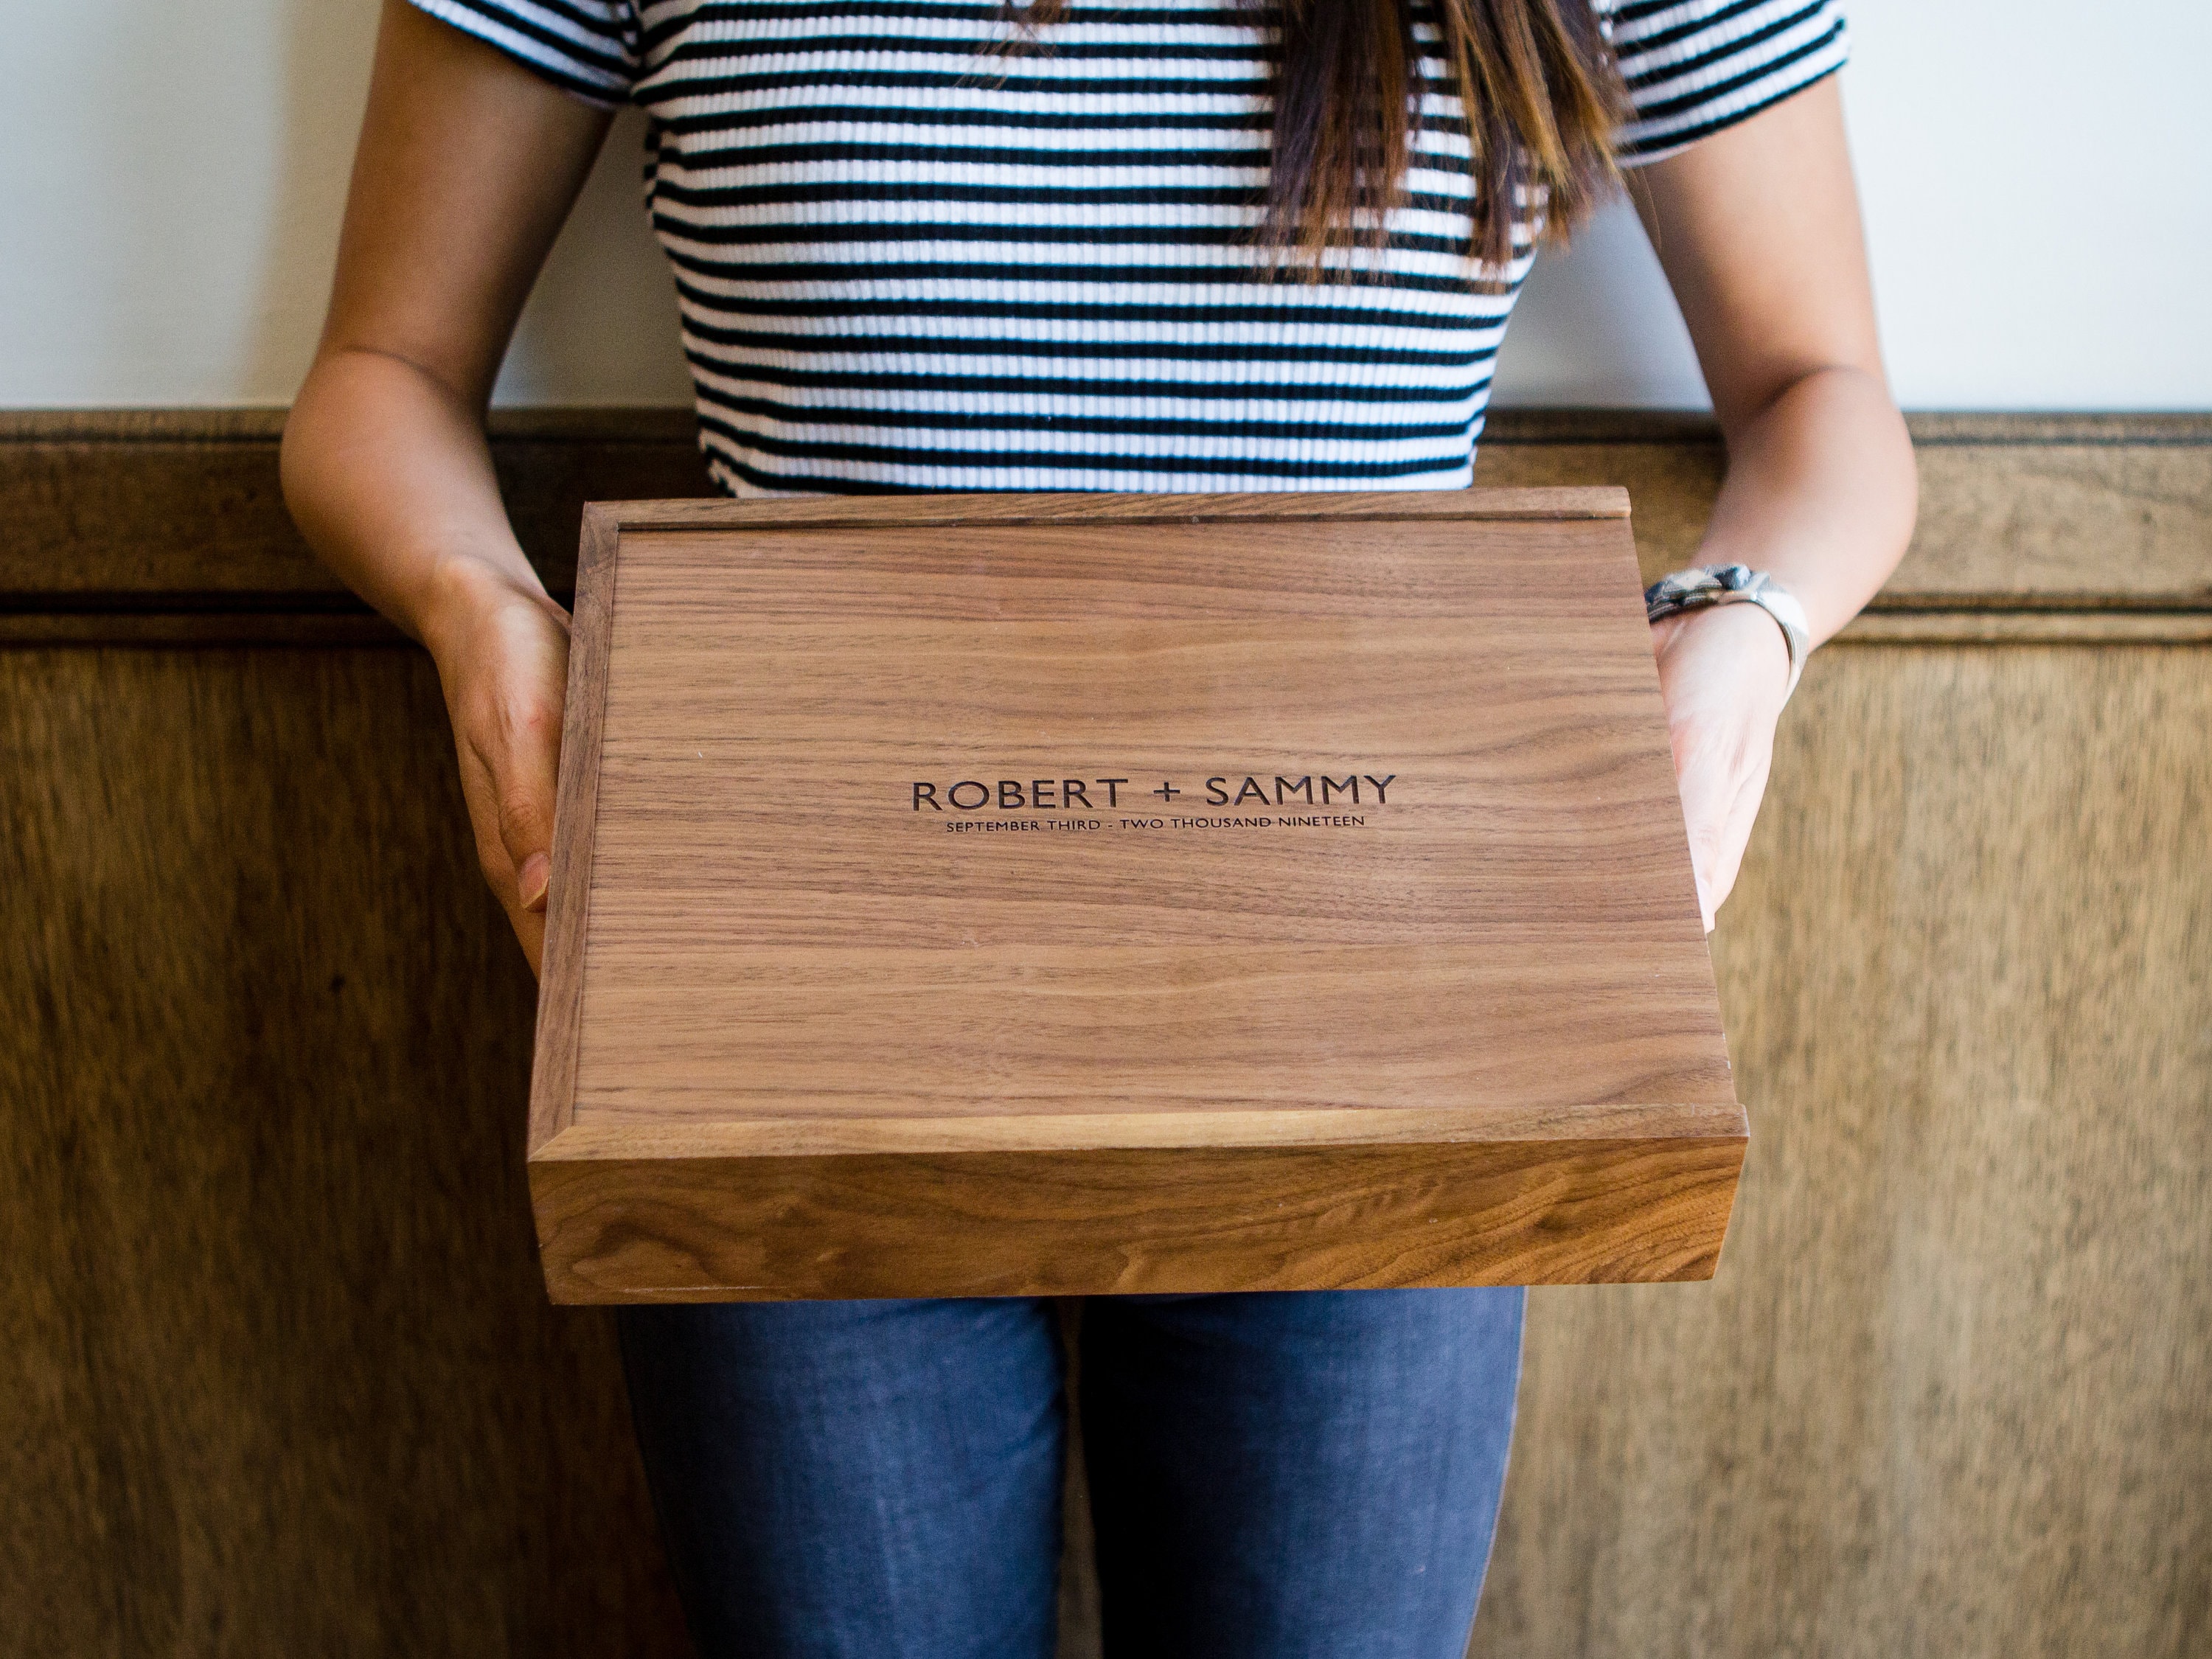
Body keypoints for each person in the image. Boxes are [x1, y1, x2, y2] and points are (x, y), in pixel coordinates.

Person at [282, 0, 1915, 1652]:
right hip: (796, 1029)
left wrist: (1742, 632)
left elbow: (1822, 392)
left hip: (1380, 1034)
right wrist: (486, 617)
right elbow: (382, 375)